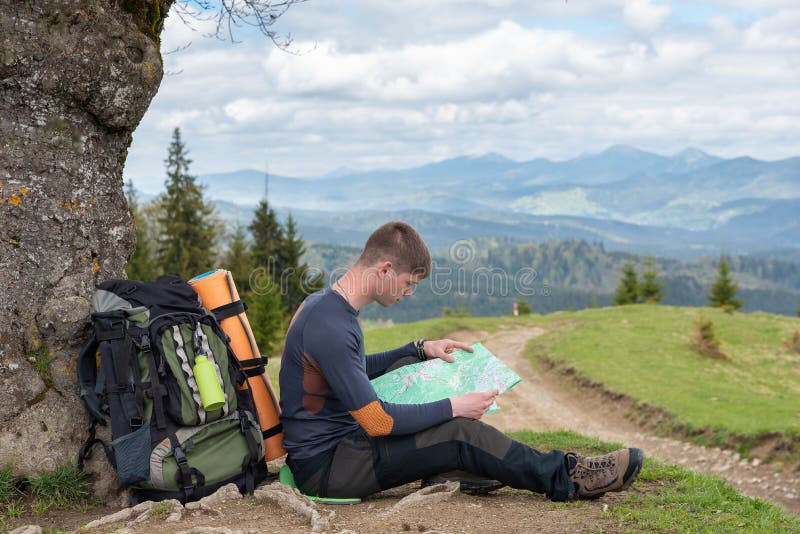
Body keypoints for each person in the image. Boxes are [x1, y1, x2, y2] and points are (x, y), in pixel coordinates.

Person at [278, 221, 643, 501]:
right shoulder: (332, 327)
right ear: (385, 269)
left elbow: (351, 369)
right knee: (458, 431)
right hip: (328, 468)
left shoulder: (325, 306)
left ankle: (452, 467)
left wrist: (419, 350)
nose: (409, 293)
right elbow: (377, 420)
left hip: (338, 445)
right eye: (408, 283)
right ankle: (567, 477)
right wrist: (455, 406)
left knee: (411, 378)